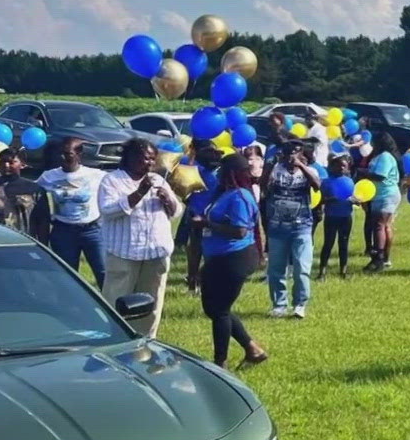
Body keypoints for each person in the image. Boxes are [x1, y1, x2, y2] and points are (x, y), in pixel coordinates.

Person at [95, 139, 180, 337]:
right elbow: (108, 210)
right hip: (124, 251)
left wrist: (168, 199)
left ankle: (146, 339)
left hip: (156, 251)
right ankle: (114, 336)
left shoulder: (158, 180)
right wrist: (140, 192)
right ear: (130, 158)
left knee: (152, 300)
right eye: (145, 159)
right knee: (116, 298)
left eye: (152, 159)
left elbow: (176, 211)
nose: (149, 163)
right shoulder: (112, 180)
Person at [196, 155, 269, 369]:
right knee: (214, 308)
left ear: (232, 173)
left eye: (223, 170)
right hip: (219, 258)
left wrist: (206, 223)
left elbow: (239, 231)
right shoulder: (226, 193)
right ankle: (252, 349)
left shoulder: (240, 196)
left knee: (219, 310)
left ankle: (220, 364)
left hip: (234, 257)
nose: (219, 173)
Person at [262, 139, 320, 319]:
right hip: (277, 226)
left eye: (295, 153)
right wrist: (270, 165)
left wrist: (301, 166)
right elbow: (263, 186)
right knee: (276, 269)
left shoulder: (309, 170)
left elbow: (317, 186)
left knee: (301, 268)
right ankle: (279, 305)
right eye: (288, 153)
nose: (291, 157)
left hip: (301, 226)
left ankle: (300, 304)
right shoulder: (276, 169)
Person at [40, 140, 108, 288]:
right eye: (61, 154)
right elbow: (31, 191)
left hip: (93, 230)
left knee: (104, 272)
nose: (63, 158)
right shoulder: (49, 176)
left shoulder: (96, 175)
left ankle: (110, 306)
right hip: (63, 231)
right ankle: (72, 308)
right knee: (67, 276)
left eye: (68, 154)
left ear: (79, 154)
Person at [317, 154, 357, 280]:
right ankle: (322, 272)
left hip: (346, 217)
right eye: (338, 165)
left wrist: (355, 200)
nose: (341, 168)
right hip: (331, 216)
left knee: (343, 244)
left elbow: (356, 197)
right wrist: (329, 200)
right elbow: (320, 200)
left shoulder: (350, 181)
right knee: (328, 244)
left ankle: (343, 271)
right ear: (332, 166)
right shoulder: (327, 182)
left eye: (344, 166)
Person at [363, 144, 402, 271]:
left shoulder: (385, 156)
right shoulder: (377, 156)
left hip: (387, 194)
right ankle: (383, 258)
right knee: (384, 226)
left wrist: (364, 173)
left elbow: (381, 176)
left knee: (380, 225)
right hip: (377, 195)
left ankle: (379, 258)